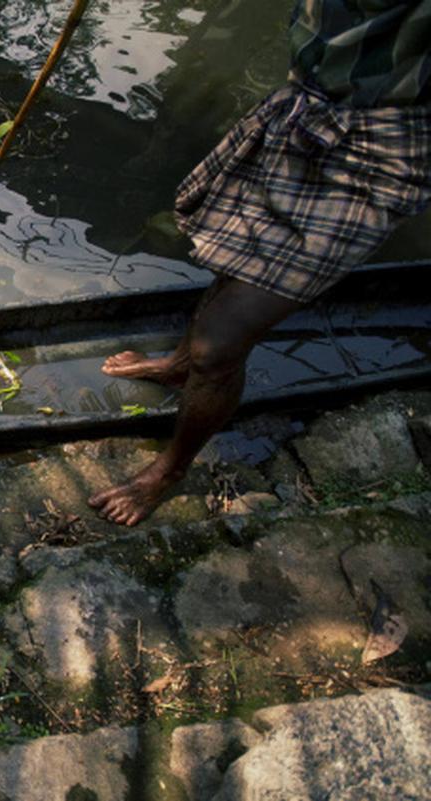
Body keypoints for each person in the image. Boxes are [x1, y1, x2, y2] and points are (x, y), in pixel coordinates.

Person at [88, 0, 431, 526]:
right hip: (305, 107)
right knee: (235, 258)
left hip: (385, 142)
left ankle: (169, 472)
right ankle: (181, 368)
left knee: (220, 343)